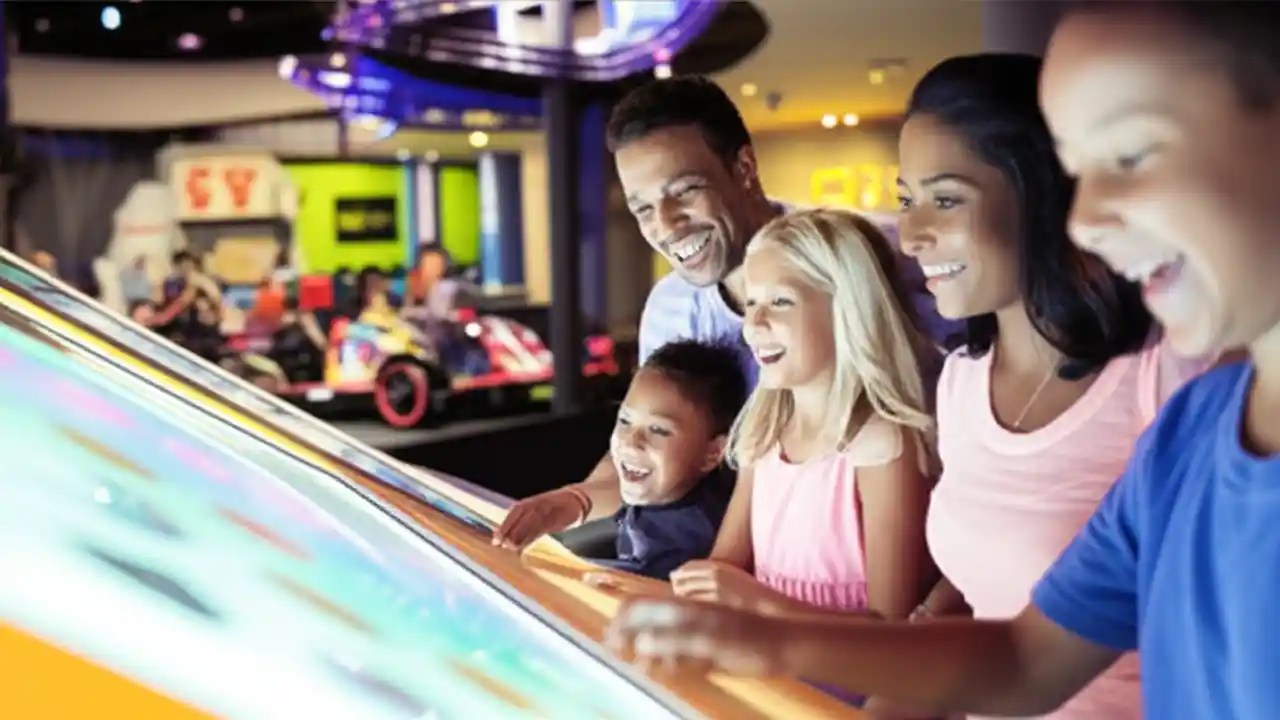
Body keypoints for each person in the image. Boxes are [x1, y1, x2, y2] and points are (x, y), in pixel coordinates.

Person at [606, 3, 1280, 719]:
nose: (1085, 219)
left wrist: (774, 630)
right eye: (1082, 171)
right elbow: (1025, 657)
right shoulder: (1193, 419)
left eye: (1134, 155)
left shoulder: (1170, 385)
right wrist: (766, 638)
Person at [494, 76, 953, 551]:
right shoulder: (671, 310)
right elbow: (657, 447)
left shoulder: (877, 257)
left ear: (744, 167)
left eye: (685, 191)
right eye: (643, 209)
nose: (666, 226)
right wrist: (573, 501)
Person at [891, 53, 1211, 720]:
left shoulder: (1165, 376)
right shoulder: (960, 381)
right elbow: (985, 588)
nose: (912, 234)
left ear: (1039, 196)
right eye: (905, 200)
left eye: (945, 200)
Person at [563, 340, 748, 580]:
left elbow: (644, 586)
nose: (632, 442)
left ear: (713, 453)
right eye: (625, 421)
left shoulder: (687, 535)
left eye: (659, 430)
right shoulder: (665, 496)